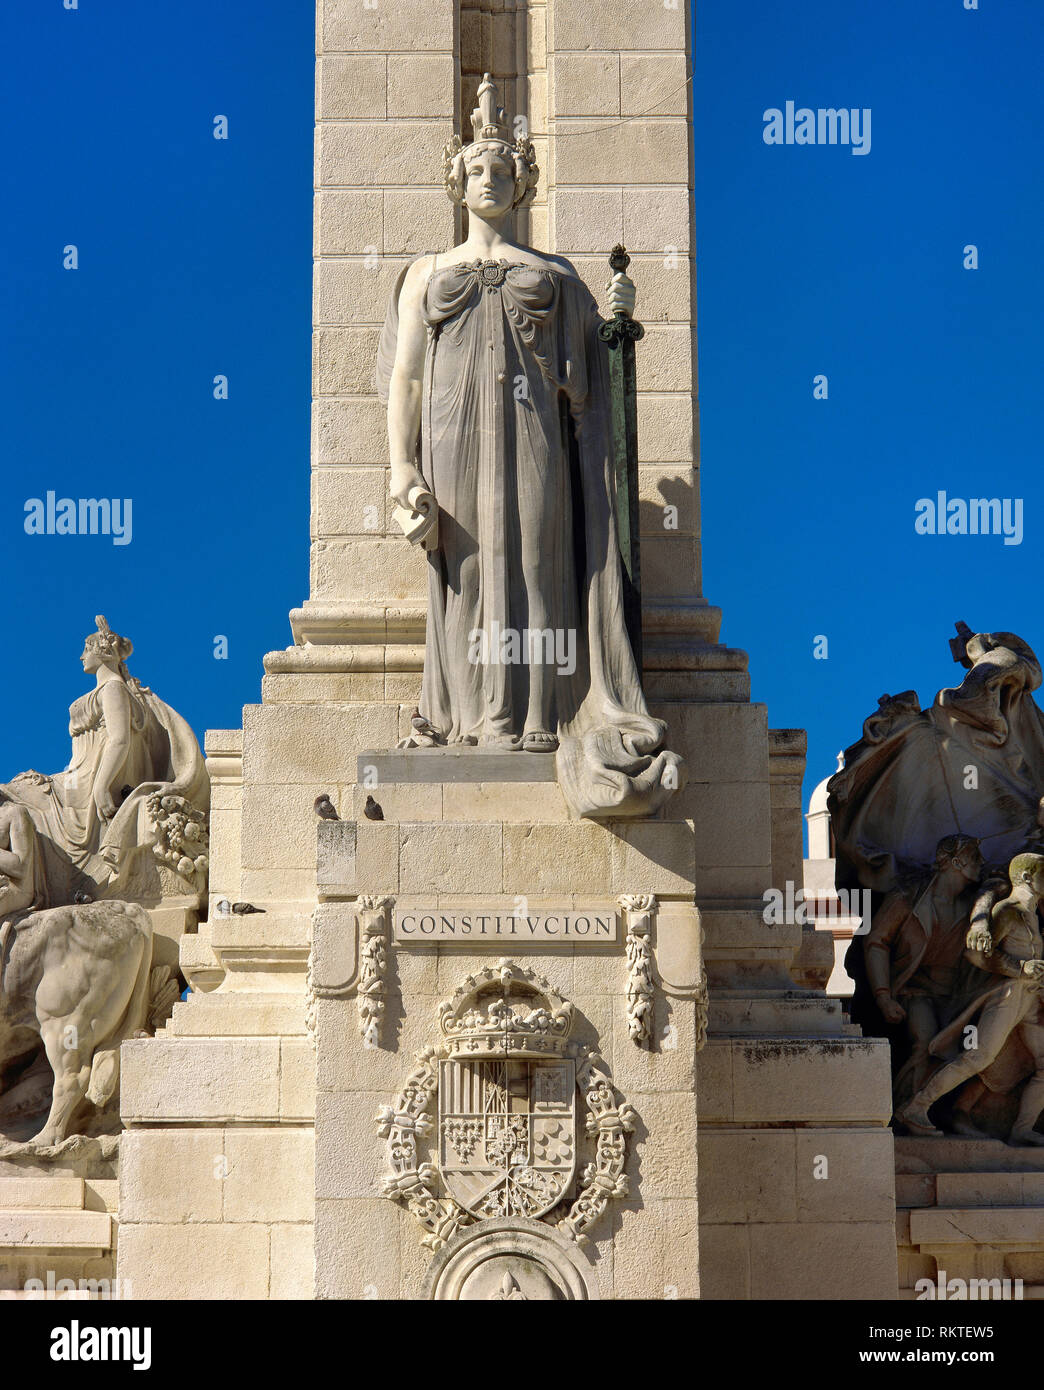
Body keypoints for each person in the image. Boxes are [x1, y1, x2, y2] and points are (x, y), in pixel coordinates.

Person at [377, 75, 682, 819]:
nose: (489, 180)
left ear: (523, 183)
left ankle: (542, 720)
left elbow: (592, 388)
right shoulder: (426, 273)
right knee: (471, 571)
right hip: (453, 442)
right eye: (476, 170)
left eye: (502, 171)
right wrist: (401, 469)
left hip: (536, 439)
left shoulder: (556, 275)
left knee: (542, 562)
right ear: (458, 182)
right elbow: (407, 381)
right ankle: (475, 720)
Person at [898, 852, 1044, 1146]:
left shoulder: (1031, 915)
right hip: (1007, 995)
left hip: (1029, 1000)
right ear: (1028, 878)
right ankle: (916, 1107)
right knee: (978, 1057)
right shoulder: (1007, 911)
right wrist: (1019, 968)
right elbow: (975, 953)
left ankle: (1022, 1128)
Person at [864, 834, 984, 1107]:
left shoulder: (973, 906)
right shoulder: (908, 899)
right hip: (916, 989)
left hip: (959, 994)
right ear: (957, 862)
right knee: (927, 1041)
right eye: (975, 857)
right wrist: (883, 996)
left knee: (974, 1050)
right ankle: (909, 1108)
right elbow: (876, 942)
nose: (982, 863)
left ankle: (960, 1113)